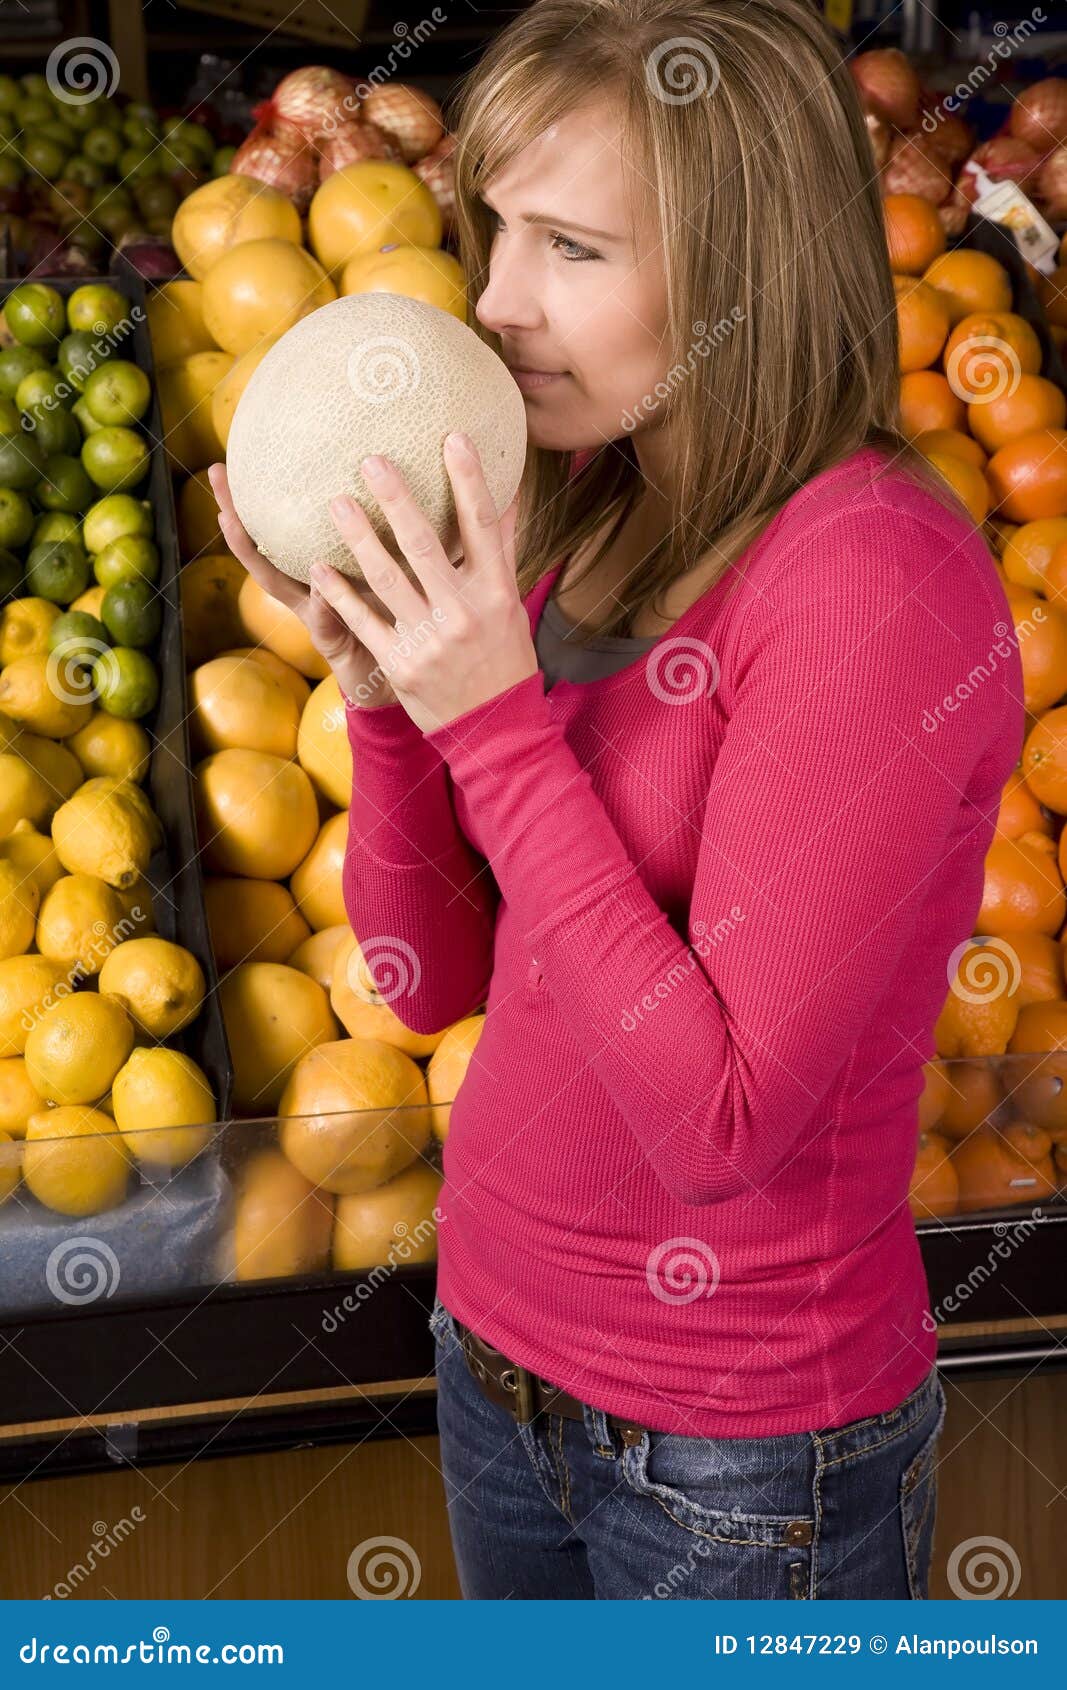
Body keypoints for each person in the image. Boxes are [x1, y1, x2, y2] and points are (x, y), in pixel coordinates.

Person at [209, 0, 1024, 1600]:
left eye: (572, 248)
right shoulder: (584, 498)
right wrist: (385, 707)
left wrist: (494, 731)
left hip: (740, 1449)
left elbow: (720, 1126)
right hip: (496, 1352)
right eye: (493, 230)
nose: (496, 302)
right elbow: (425, 980)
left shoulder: (876, 582)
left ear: (744, 273)